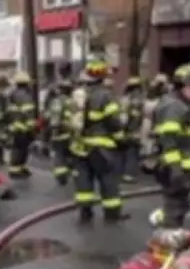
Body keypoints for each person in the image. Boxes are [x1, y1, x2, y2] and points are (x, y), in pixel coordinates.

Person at [69, 55, 125, 223]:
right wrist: (121, 138)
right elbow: (113, 121)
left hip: (80, 146)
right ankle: (112, 214)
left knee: (84, 181)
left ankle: (85, 212)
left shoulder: (78, 95)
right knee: (108, 180)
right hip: (102, 147)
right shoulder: (106, 95)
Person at [150, 64, 190, 228]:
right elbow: (169, 140)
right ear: (180, 86)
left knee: (181, 208)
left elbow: (185, 136)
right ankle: (167, 240)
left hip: (184, 168)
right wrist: (176, 169)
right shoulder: (173, 107)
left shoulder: (183, 105)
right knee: (174, 210)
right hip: (175, 169)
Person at [6, 71, 36, 179]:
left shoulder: (12, 93)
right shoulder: (24, 95)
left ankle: (20, 168)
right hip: (22, 127)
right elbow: (28, 112)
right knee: (20, 149)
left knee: (19, 148)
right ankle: (15, 170)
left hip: (15, 126)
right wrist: (31, 126)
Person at [46, 77, 74, 185]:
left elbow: (54, 117)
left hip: (60, 132)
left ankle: (61, 176)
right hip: (72, 133)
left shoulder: (57, 101)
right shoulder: (73, 100)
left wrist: (53, 128)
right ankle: (71, 172)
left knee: (59, 154)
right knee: (71, 154)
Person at [119, 75, 144, 183]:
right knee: (131, 152)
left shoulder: (126, 99)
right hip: (132, 130)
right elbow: (124, 117)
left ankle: (124, 173)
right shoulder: (136, 100)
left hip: (130, 130)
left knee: (127, 152)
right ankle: (128, 174)